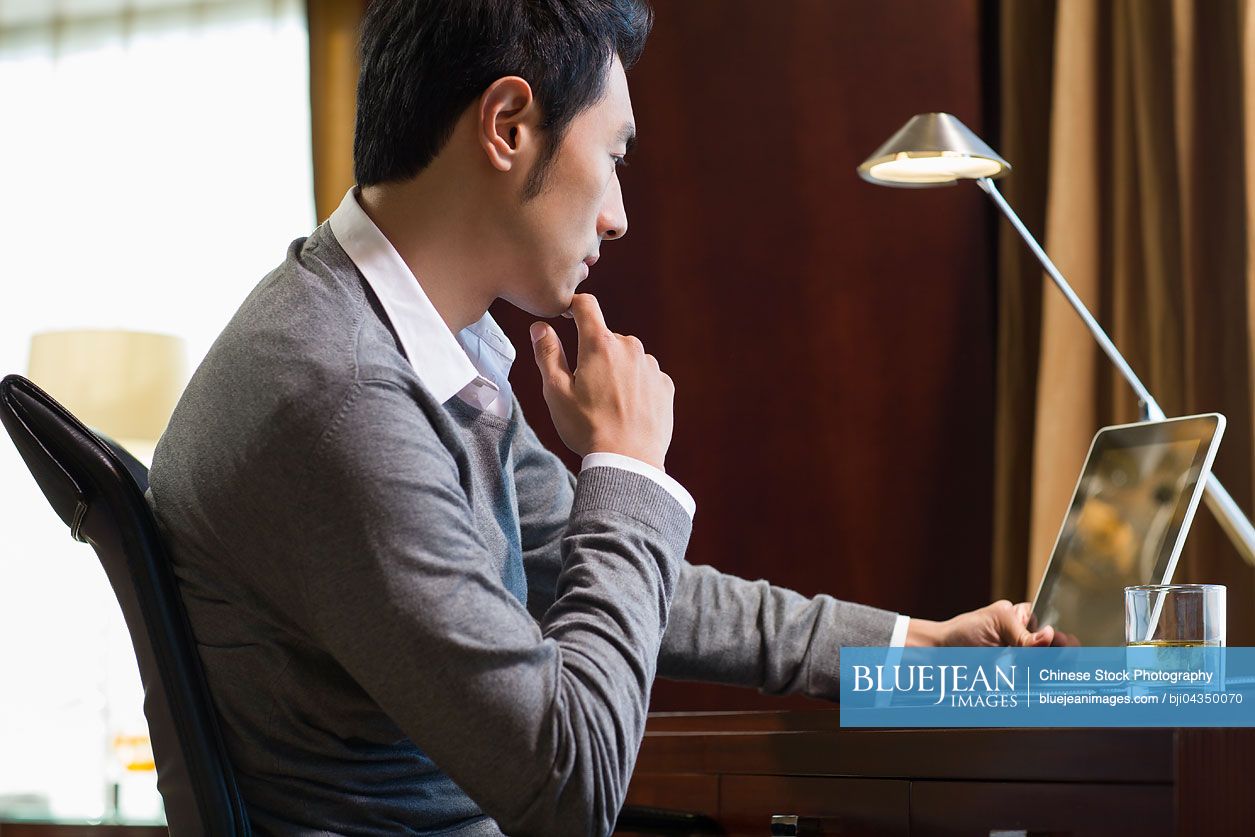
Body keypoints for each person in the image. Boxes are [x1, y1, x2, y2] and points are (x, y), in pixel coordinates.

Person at [146, 1, 1055, 834]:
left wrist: (913, 647)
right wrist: (626, 467)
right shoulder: (343, 396)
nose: (617, 216)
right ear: (508, 125)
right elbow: (570, 787)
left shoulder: (397, 344)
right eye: (614, 154)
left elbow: (627, 580)